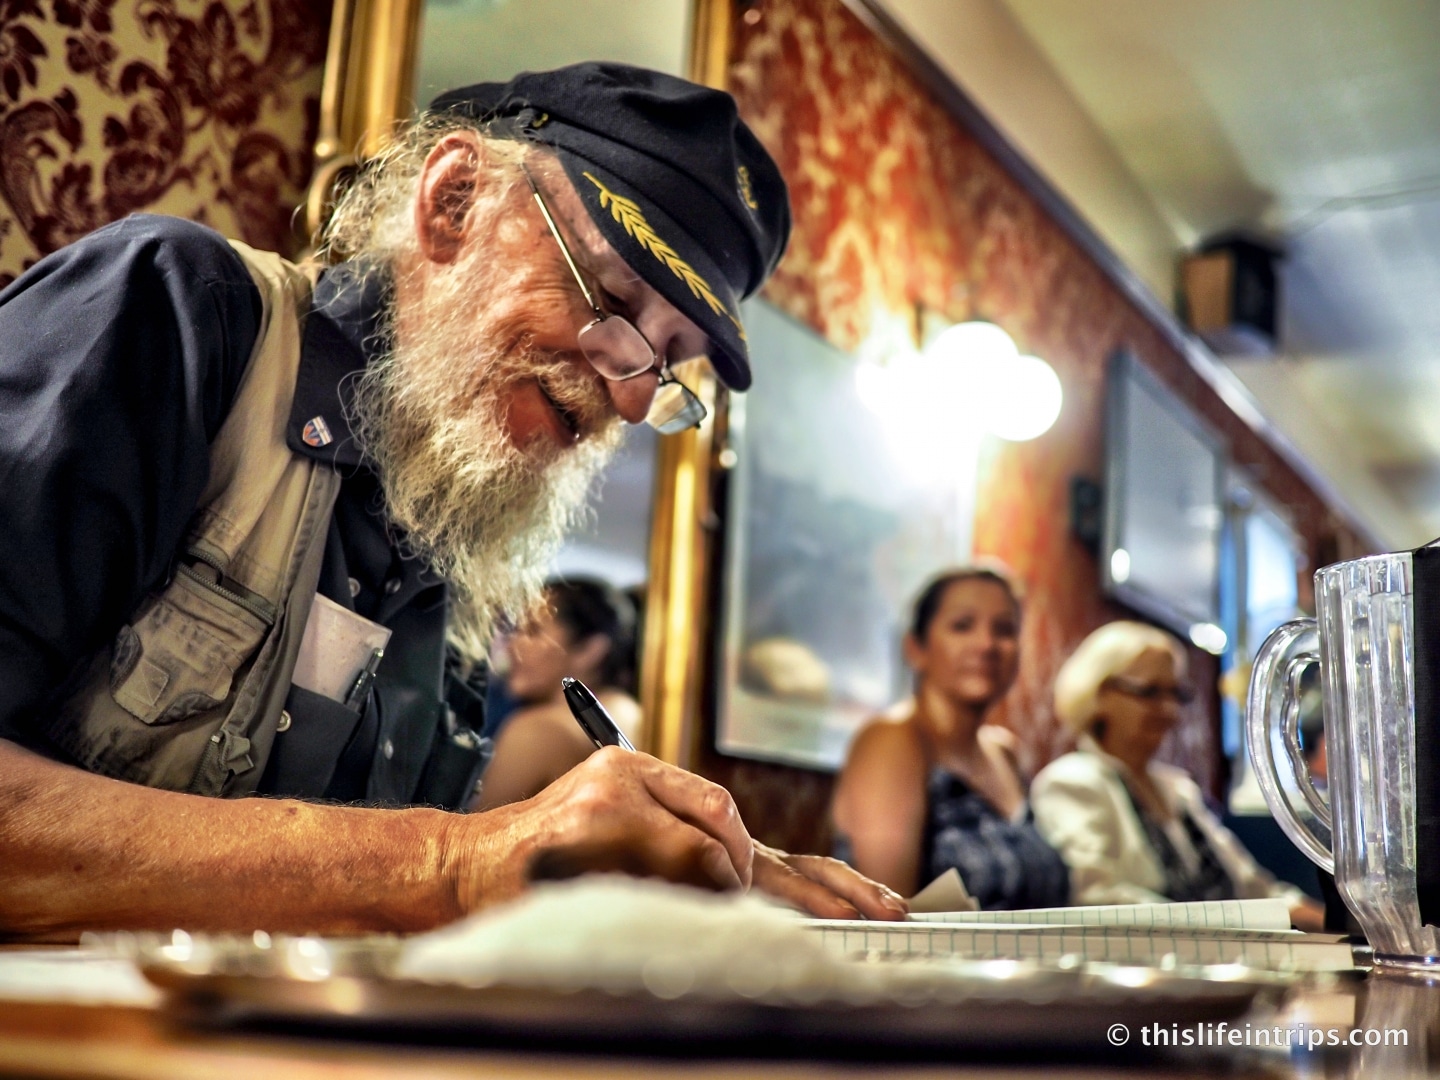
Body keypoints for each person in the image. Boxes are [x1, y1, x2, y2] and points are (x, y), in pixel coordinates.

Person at [0, 62, 907, 940]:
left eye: (666, 363)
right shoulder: (179, 311)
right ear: (455, 202)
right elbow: (437, 871)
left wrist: (654, 886)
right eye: (613, 297)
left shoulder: (465, 527)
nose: (632, 397)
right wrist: (454, 865)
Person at [1029, 621, 1324, 929]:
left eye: (1176, 694)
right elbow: (1099, 899)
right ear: (1100, 693)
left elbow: (1254, 890)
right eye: (1150, 692)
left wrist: (1342, 923)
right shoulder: (1072, 781)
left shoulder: (1177, 789)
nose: (1169, 711)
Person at [830, 568, 1070, 908]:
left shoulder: (1005, 752)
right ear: (916, 648)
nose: (986, 644)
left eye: (1004, 629)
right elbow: (886, 917)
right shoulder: (891, 742)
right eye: (962, 626)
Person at [477, 578, 642, 809]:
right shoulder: (637, 716)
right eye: (516, 630)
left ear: (590, 650)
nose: (513, 645)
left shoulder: (535, 732)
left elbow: (473, 838)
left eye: (533, 631)